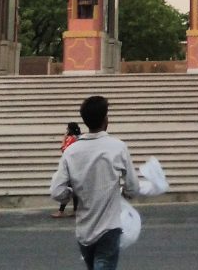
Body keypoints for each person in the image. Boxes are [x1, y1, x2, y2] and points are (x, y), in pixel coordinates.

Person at [50, 94, 140, 270]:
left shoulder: (71, 152)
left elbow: (56, 191)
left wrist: (73, 192)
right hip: (109, 228)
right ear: (106, 119)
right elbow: (133, 187)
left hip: (85, 231)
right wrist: (123, 192)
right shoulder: (117, 147)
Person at [53, 122, 82, 217]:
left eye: (67, 129)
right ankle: (74, 210)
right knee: (74, 188)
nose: (66, 130)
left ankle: (61, 211)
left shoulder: (71, 138)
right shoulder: (79, 138)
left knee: (67, 187)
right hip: (77, 166)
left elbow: (64, 150)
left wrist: (64, 139)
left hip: (71, 167)